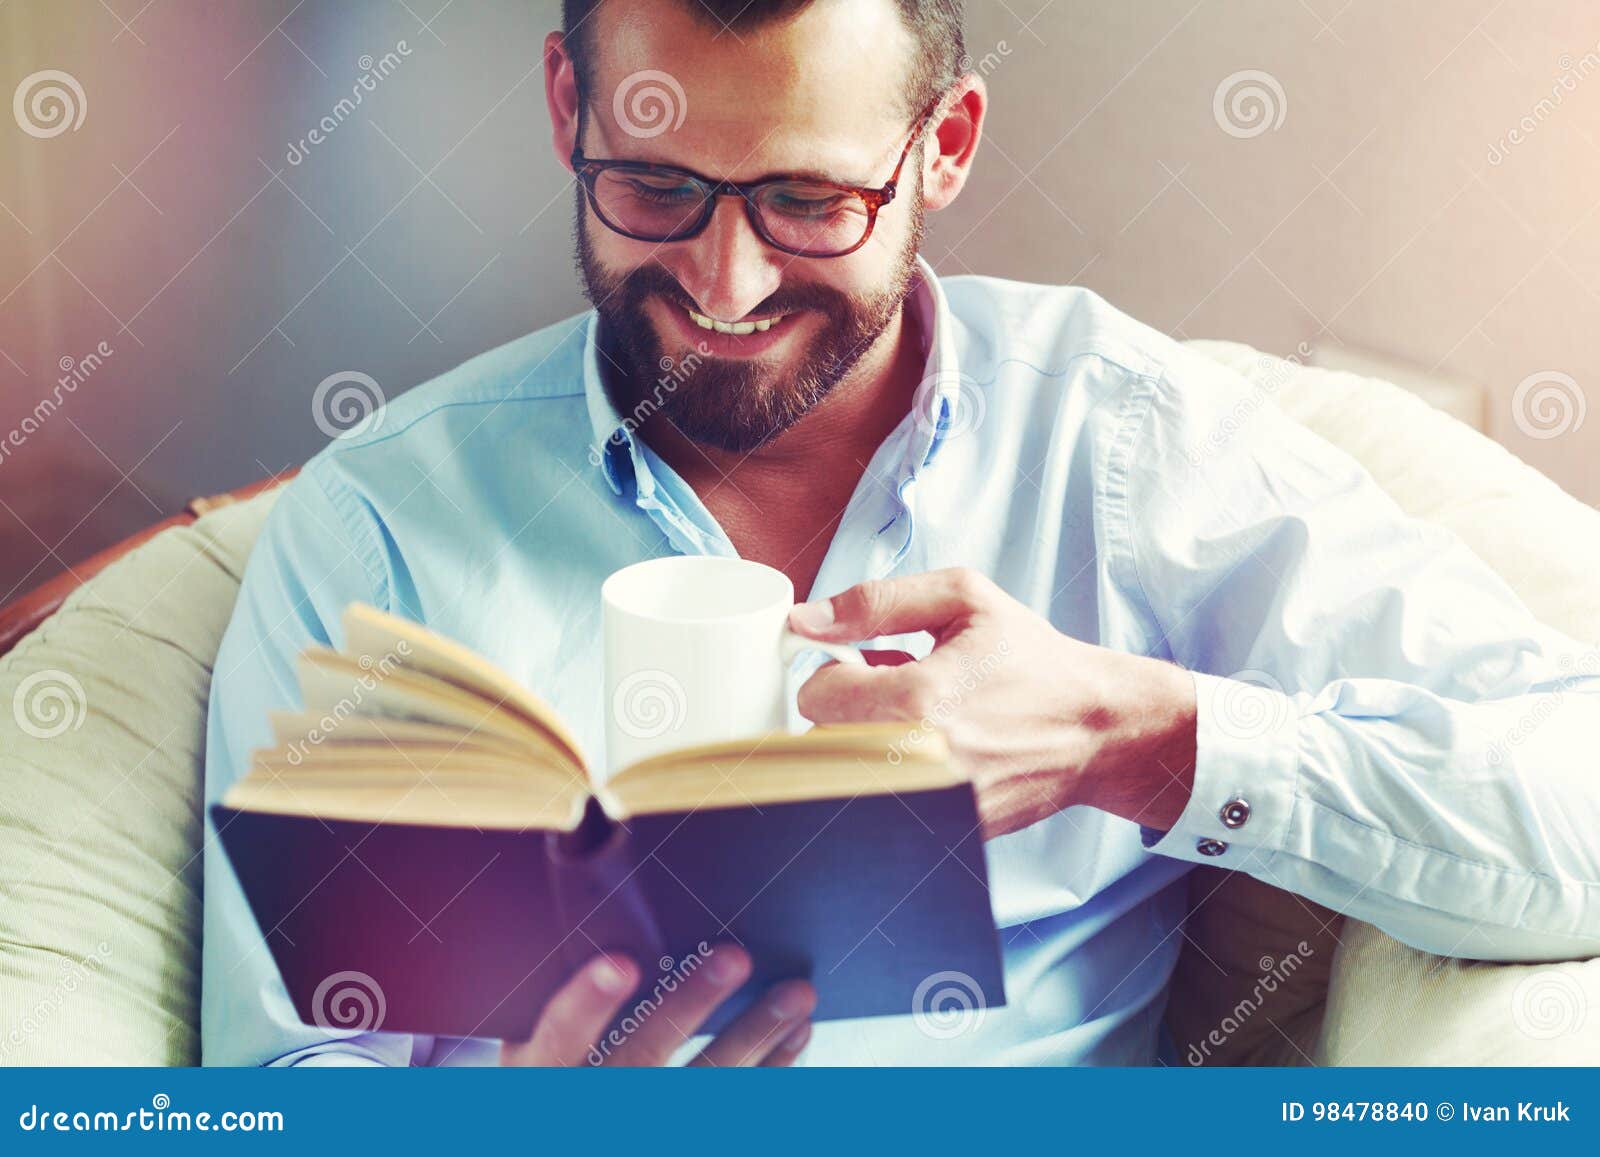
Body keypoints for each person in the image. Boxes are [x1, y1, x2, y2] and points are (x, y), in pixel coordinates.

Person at [202, 0, 1600, 1067]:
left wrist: (1143, 738)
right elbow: (280, 1070)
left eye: (808, 202)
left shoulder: (1124, 443)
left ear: (944, 148)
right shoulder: (381, 525)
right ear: (571, 106)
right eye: (656, 188)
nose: (724, 284)